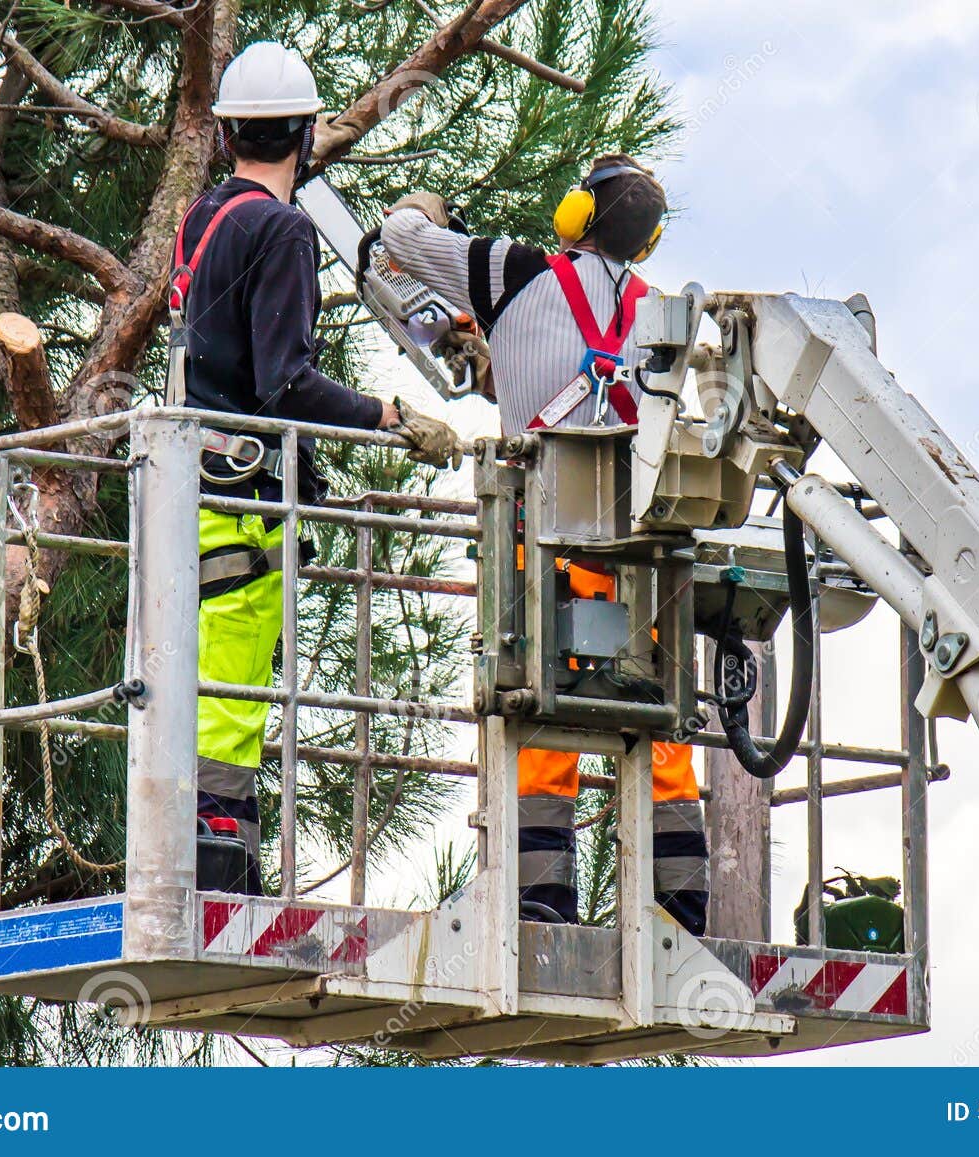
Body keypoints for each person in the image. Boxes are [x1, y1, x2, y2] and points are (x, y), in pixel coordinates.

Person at [378, 156, 708, 936]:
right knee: (663, 732)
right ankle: (680, 908)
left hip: (544, 545)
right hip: (640, 558)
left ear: (574, 215)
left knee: (538, 718)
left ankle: (541, 900)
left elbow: (398, 238)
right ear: (647, 242)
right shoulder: (662, 314)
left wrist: (428, 207)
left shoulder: (513, 272)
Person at [177, 41, 462, 893]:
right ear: (304, 135)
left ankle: (201, 856)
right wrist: (388, 416)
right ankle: (219, 875)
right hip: (243, 504)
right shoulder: (284, 229)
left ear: (227, 135)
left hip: (189, 491)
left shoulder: (204, 219)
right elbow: (286, 384)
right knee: (230, 699)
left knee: (193, 686)